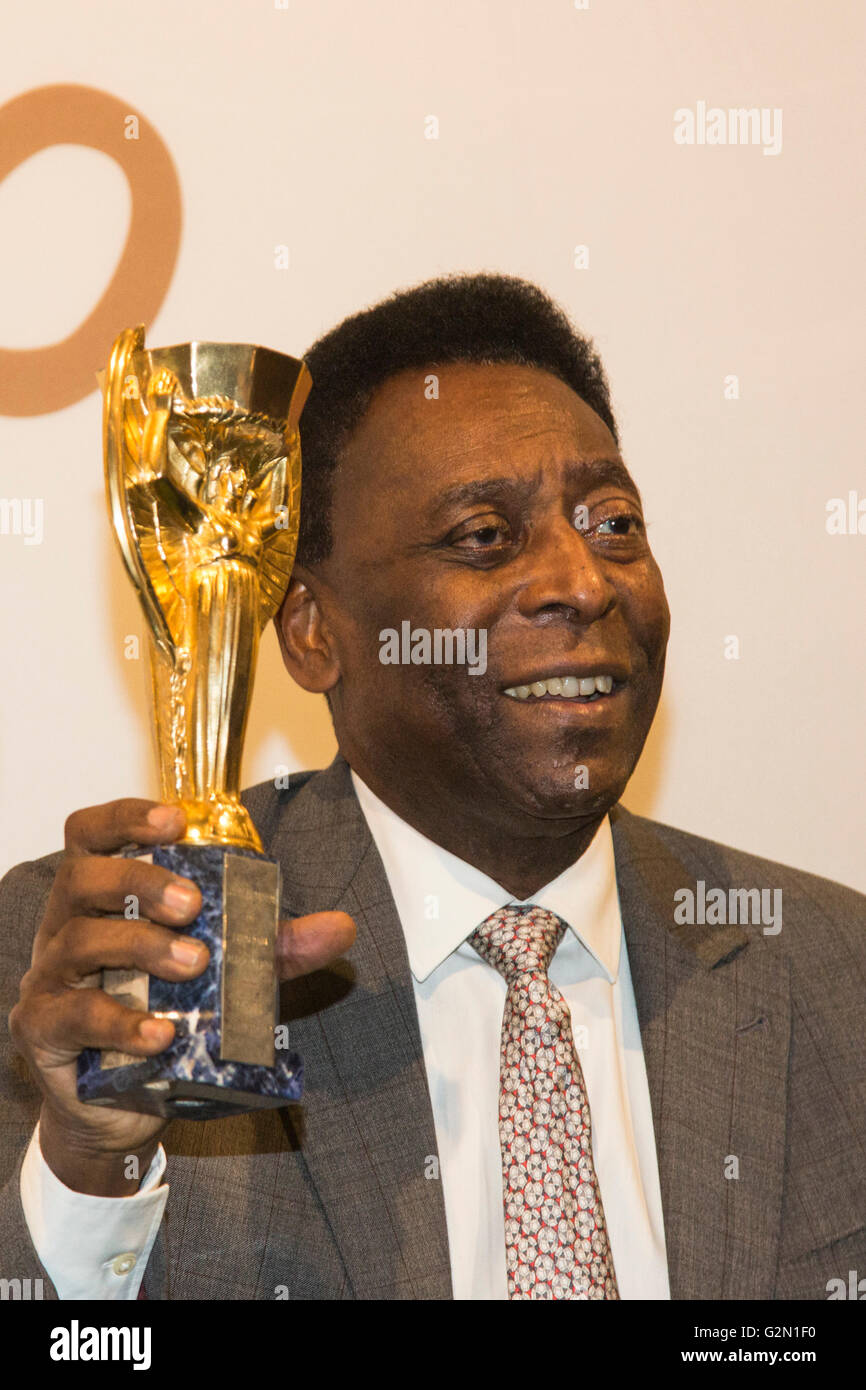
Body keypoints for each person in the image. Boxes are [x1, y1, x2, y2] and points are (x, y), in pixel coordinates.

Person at [2, 273, 864, 1300]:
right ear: (313, 631)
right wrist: (93, 1162)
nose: (581, 581)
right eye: (483, 537)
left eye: (612, 522)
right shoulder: (100, 968)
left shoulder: (828, 969)